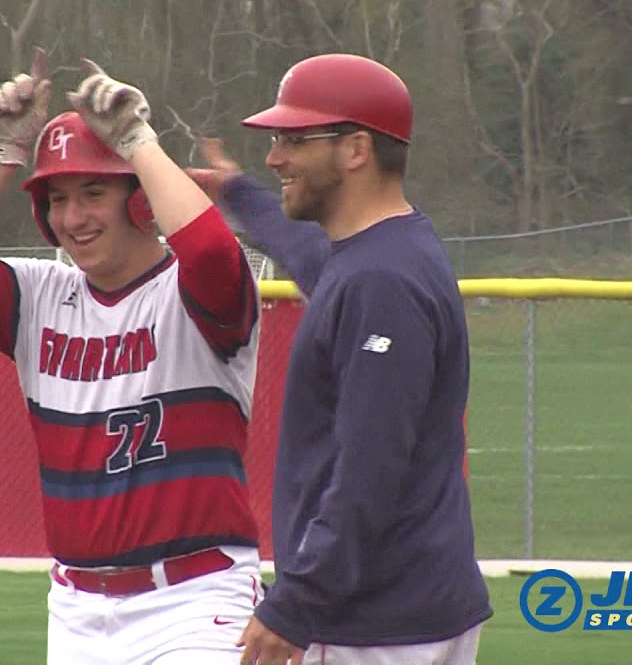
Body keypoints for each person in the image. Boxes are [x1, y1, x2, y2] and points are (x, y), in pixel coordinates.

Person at [0, 49, 266, 665]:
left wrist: (137, 141)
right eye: (57, 200)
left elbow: (209, 254)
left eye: (93, 192)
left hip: (195, 596)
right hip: (76, 610)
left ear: (141, 200)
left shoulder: (192, 289)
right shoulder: (39, 295)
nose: (73, 217)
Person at [190, 53, 491, 665]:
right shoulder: (382, 249)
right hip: (401, 608)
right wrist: (240, 194)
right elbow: (309, 251)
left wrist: (296, 605)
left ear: (356, 149)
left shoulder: (380, 281)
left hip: (377, 625)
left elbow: (369, 470)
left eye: (294, 140)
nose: (276, 157)